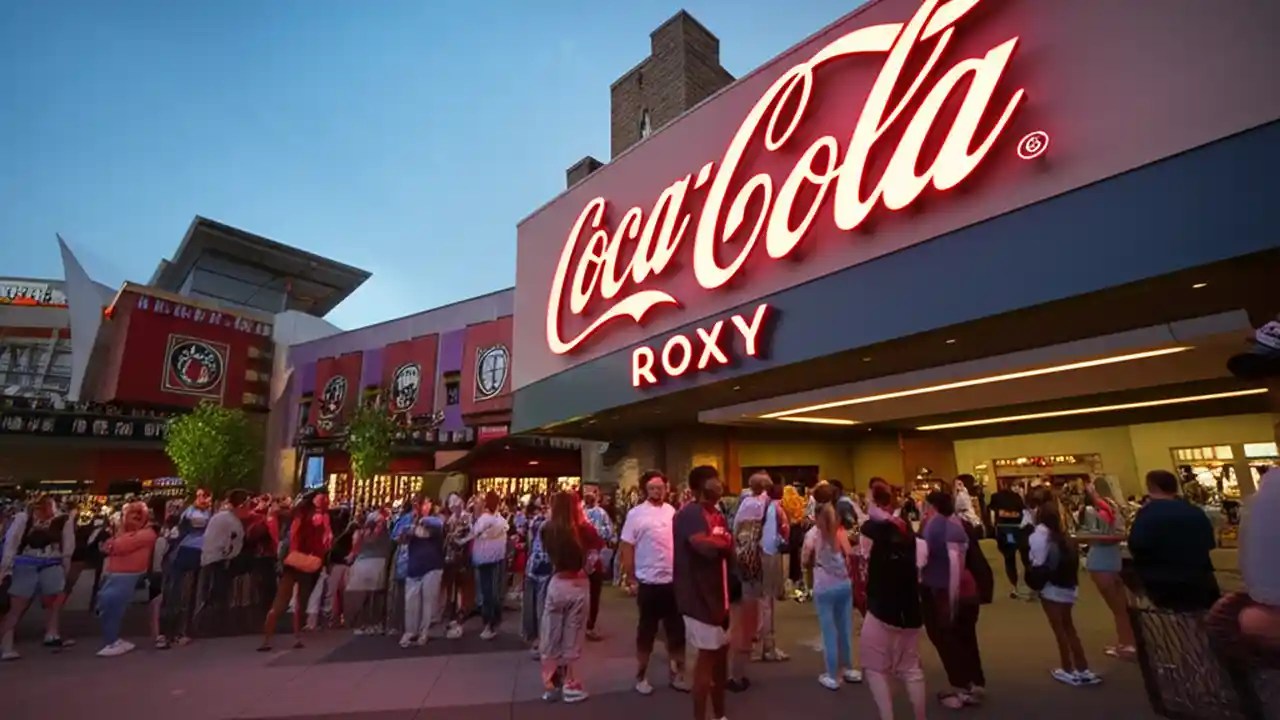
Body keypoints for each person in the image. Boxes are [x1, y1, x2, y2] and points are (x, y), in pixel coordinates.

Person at [860, 484, 927, 720]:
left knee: (875, 667)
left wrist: (876, 512)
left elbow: (868, 527)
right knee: (911, 669)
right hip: (911, 609)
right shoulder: (909, 533)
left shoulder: (878, 531)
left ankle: (887, 716)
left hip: (882, 608)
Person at [621, 470, 690, 695]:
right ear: (645, 490)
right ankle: (641, 675)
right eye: (652, 488)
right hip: (647, 581)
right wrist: (630, 577)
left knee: (676, 630)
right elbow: (627, 547)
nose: (657, 491)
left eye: (660, 487)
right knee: (646, 630)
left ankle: (678, 673)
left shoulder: (673, 512)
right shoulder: (635, 515)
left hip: (672, 581)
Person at [674, 465, 734, 720]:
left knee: (720, 663)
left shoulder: (716, 514)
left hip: (721, 598)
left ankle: (720, 715)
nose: (719, 485)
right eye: (713, 480)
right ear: (700, 487)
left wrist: (723, 544)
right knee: (706, 662)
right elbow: (703, 546)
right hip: (700, 599)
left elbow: (724, 546)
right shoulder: (690, 514)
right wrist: (724, 543)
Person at [919, 491, 984, 708]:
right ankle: (974, 682)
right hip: (965, 589)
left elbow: (949, 562)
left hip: (943, 591)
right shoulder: (957, 523)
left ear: (931, 506)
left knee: (946, 638)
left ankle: (961, 687)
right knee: (965, 637)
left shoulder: (936, 526)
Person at [538, 490, 603, 703]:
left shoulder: (547, 529)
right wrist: (585, 569)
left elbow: (543, 557)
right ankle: (571, 683)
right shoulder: (586, 530)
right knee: (573, 634)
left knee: (551, 632)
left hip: (556, 583)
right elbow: (594, 559)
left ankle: (550, 683)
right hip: (578, 583)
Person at [1028, 500, 1099, 686]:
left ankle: (1067, 668)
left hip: (1051, 588)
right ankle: (1083, 668)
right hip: (1069, 586)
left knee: (1059, 630)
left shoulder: (1038, 537)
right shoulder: (1066, 537)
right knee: (1069, 627)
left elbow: (1037, 563)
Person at [1129, 469, 1220, 612]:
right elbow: (1210, 542)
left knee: (1174, 627)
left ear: (1151, 487)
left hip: (1162, 582)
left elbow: (1137, 545)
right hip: (1199, 579)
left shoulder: (1146, 515)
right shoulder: (1194, 511)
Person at [0, 494, 76, 659]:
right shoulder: (24, 518)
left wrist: (65, 566)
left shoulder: (63, 520)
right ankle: (6, 645)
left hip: (52, 562)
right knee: (17, 605)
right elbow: (12, 542)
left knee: (53, 601)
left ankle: (52, 632)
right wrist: (5, 568)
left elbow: (68, 545)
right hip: (25, 562)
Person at [802, 483, 862, 690]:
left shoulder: (812, 535)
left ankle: (832, 675)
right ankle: (849, 668)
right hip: (844, 583)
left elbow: (804, 559)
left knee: (829, 631)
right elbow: (850, 553)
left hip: (823, 585)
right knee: (845, 628)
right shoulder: (840, 532)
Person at [260, 491, 330, 651]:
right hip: (307, 560)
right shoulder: (315, 516)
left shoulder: (297, 514)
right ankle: (295, 637)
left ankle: (268, 639)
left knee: (283, 601)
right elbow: (322, 539)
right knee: (299, 601)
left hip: (294, 559)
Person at [1078, 476, 1135, 659]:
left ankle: (1126, 643)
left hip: (1100, 557)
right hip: (1114, 556)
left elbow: (1095, 535)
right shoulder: (1116, 507)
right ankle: (1127, 641)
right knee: (1122, 606)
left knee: (1117, 607)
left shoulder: (1097, 509)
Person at [95, 501, 158, 657]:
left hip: (126, 576)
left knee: (112, 607)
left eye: (139, 513)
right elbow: (108, 546)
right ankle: (112, 640)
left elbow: (116, 546)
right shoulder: (126, 533)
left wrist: (113, 545)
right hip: (114, 574)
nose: (135, 516)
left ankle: (112, 641)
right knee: (107, 607)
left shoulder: (147, 534)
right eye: (132, 512)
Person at [729, 471, 771, 689]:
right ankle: (738, 671)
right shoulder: (766, 505)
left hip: (743, 562)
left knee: (742, 615)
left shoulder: (746, 504)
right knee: (747, 616)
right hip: (755, 563)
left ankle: (738, 668)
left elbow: (736, 530)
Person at [160, 487, 212, 646]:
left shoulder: (212, 513)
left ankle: (182, 630)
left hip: (200, 553)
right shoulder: (189, 512)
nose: (202, 498)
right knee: (177, 592)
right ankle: (170, 632)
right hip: (185, 551)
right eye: (199, 495)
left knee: (190, 593)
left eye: (205, 496)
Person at [197, 489, 248, 637]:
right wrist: (228, 557)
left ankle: (210, 626)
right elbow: (229, 544)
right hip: (219, 561)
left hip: (212, 559)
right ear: (241, 505)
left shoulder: (222, 517)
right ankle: (213, 627)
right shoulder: (229, 520)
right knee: (217, 595)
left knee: (213, 594)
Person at [399, 495, 445, 648]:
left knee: (428, 601)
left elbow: (428, 531)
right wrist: (407, 529)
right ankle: (410, 631)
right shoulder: (408, 519)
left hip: (432, 565)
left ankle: (424, 632)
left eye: (425, 503)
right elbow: (398, 535)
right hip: (413, 565)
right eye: (417, 504)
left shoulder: (436, 520)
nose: (421, 507)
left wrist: (415, 526)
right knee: (411, 601)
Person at [468, 491, 509, 640]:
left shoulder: (484, 519)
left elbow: (474, 532)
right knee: (495, 590)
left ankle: (489, 623)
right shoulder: (500, 519)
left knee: (487, 591)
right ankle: (495, 620)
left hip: (484, 558)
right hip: (497, 557)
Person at [758, 479, 790, 662]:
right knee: (767, 603)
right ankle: (768, 648)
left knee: (761, 603)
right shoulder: (775, 508)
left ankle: (759, 646)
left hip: (759, 555)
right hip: (769, 556)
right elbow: (778, 536)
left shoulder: (756, 505)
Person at [346, 510, 393, 635]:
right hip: (377, 563)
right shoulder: (383, 534)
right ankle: (375, 623)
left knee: (367, 596)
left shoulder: (362, 534)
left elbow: (355, 549)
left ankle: (366, 624)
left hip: (364, 564)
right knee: (376, 595)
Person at [987, 480, 1030, 599]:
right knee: (1026, 558)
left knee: (1009, 558)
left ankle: (1015, 586)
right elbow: (1023, 511)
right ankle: (1031, 584)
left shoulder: (995, 497)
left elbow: (991, 514)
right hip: (1019, 529)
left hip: (1005, 530)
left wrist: (993, 527)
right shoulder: (1017, 497)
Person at [583, 489, 614, 641]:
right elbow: (609, 532)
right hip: (594, 556)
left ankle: (583, 625)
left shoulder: (580, 513)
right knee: (593, 593)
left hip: (583, 557)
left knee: (586, 592)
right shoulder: (601, 514)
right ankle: (589, 625)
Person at [442, 493, 474, 639]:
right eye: (451, 501)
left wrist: (456, 539)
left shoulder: (467, 518)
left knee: (462, 591)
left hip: (463, 559)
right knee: (452, 591)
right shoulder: (450, 520)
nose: (454, 504)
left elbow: (467, 536)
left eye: (456, 500)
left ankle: (459, 621)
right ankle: (452, 619)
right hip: (450, 559)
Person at [522, 499, 552, 657]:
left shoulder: (535, 522)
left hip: (534, 566)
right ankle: (541, 641)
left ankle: (536, 639)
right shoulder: (549, 525)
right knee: (542, 606)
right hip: (545, 568)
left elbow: (529, 542)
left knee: (534, 605)